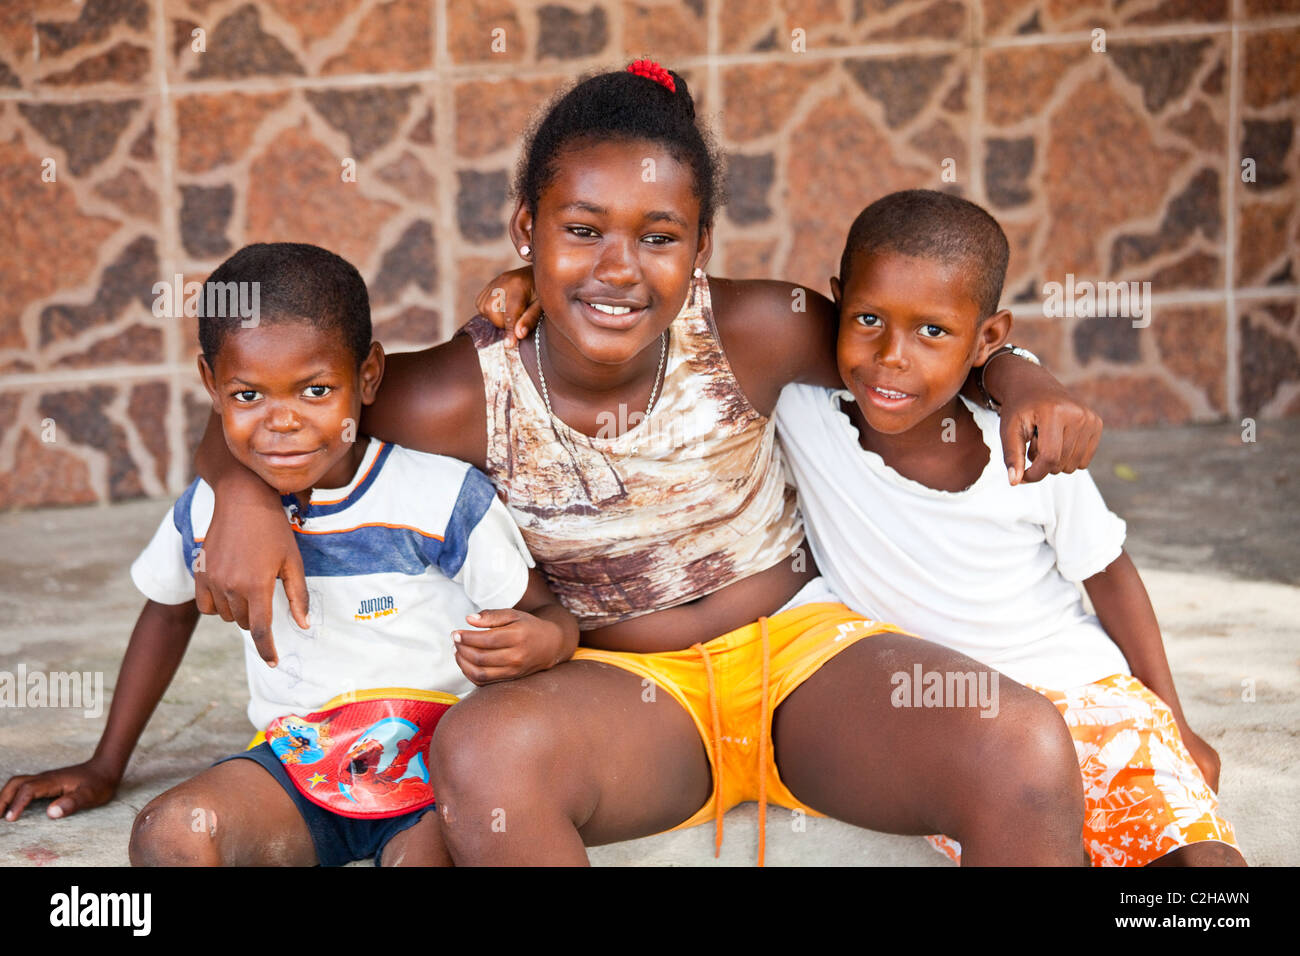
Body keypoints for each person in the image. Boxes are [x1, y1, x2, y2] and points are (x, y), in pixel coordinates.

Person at [191, 62, 1105, 866]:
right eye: (582, 230)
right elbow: (283, 414)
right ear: (527, 230)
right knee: (482, 756)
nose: (618, 269)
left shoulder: (756, 327)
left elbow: (911, 346)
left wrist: (1023, 375)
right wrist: (242, 495)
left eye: (658, 237)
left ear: (701, 249)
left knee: (1021, 744)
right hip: (627, 692)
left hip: (807, 657)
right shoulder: (463, 391)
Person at [0, 243, 578, 867]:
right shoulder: (209, 512)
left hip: (436, 774)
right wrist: (106, 765)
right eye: (249, 396)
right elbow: (167, 614)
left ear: (368, 377)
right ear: (211, 386)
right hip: (297, 764)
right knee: (167, 833)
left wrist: (542, 643)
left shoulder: (437, 497)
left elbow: (551, 617)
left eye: (316, 390)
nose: (282, 422)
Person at [774, 189, 1244, 866]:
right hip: (966, 722)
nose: (893, 356)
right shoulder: (804, 407)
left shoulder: (1024, 449)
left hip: (1090, 695)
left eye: (933, 331)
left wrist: (1174, 719)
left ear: (987, 338)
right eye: (869, 318)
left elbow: (1108, 574)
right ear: (838, 301)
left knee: (1202, 872)